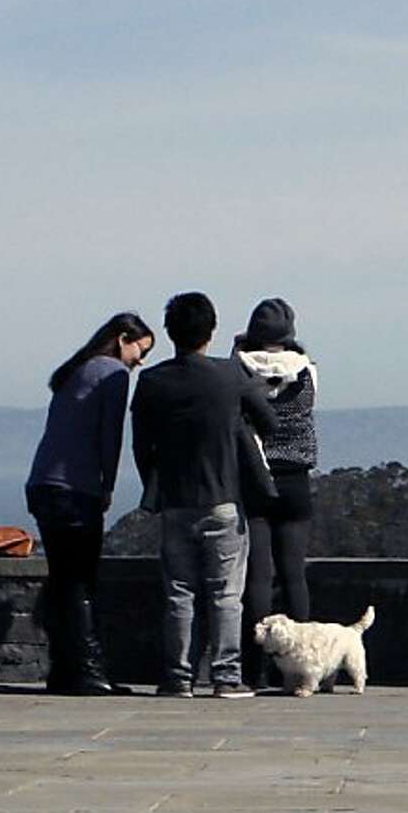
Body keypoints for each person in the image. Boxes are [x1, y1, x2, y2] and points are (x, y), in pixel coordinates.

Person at [130, 292, 280, 699]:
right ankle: (226, 676)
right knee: (225, 593)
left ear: (170, 332)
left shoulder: (152, 381)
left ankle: (178, 677)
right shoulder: (230, 376)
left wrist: (154, 485)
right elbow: (268, 420)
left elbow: (141, 446)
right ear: (210, 332)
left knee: (180, 592)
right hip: (224, 497)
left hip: (176, 500)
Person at [25, 311, 154, 695]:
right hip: (75, 489)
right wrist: (107, 485)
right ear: (122, 339)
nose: (140, 361)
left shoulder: (75, 371)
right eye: (140, 350)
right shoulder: (110, 373)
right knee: (80, 582)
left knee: (64, 580)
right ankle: (87, 670)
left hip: (45, 483)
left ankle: (64, 670)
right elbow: (109, 435)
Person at [232, 297, 319, 690]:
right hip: (296, 479)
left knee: (259, 576)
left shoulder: (238, 371)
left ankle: (254, 668)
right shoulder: (306, 373)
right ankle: (303, 662)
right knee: (294, 573)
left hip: (254, 478)